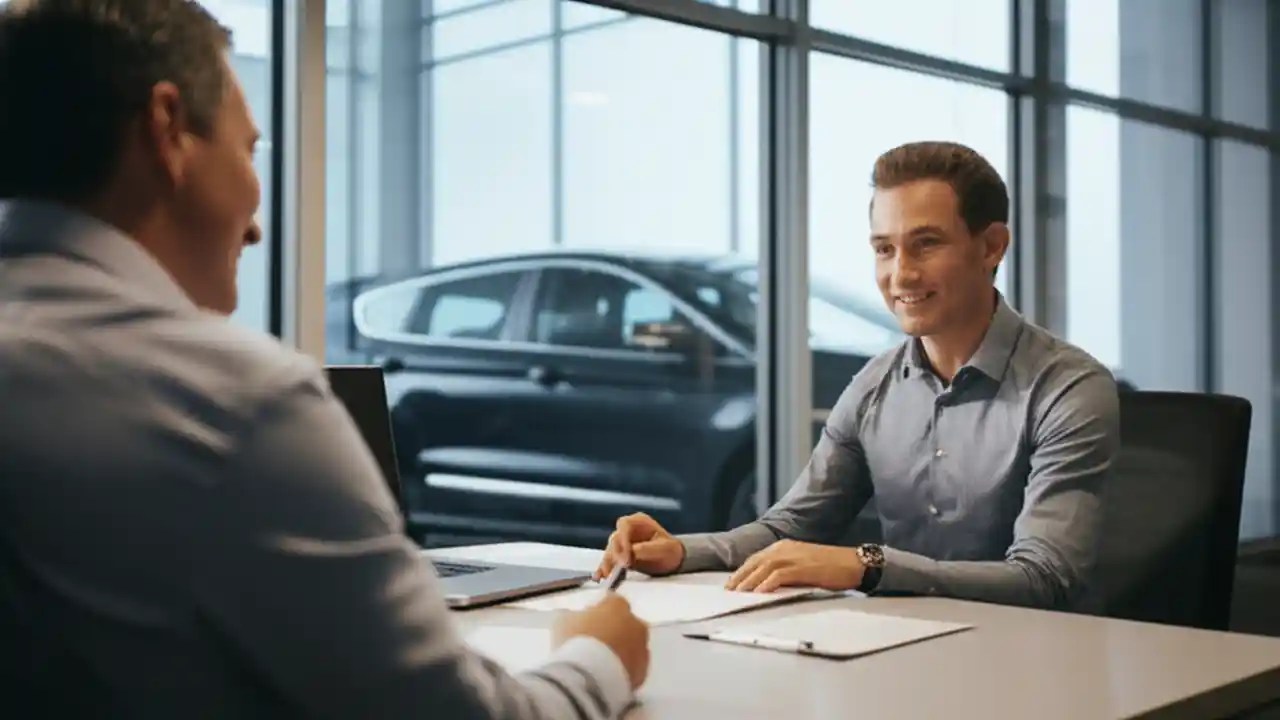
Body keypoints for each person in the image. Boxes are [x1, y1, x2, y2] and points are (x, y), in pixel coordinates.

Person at [0, 2, 646, 718]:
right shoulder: (232, 404)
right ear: (168, 128)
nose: (256, 226)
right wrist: (599, 655)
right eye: (249, 152)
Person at [595, 141, 1120, 611]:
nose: (901, 274)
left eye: (926, 244)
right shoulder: (874, 385)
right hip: (900, 645)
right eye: (884, 249)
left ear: (991, 247)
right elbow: (790, 527)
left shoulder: (1067, 388)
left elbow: (1044, 577)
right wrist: (681, 551)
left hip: (1030, 658)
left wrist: (867, 565)